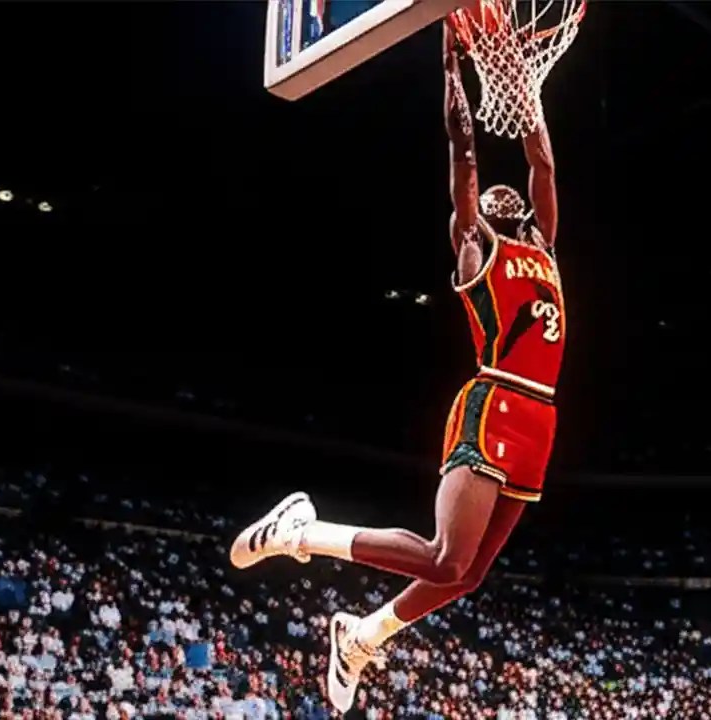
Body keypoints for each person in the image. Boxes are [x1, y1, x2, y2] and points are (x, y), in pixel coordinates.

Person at [229, 20, 565, 713]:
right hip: (496, 399)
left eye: (514, 197)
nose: (505, 196)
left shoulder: (546, 245)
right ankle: (305, 532)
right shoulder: (479, 247)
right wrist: (451, 73)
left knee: (465, 577)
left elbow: (544, 165)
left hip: (541, 417)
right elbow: (465, 155)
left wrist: (525, 87)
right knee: (446, 556)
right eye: (492, 201)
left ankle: (363, 635)